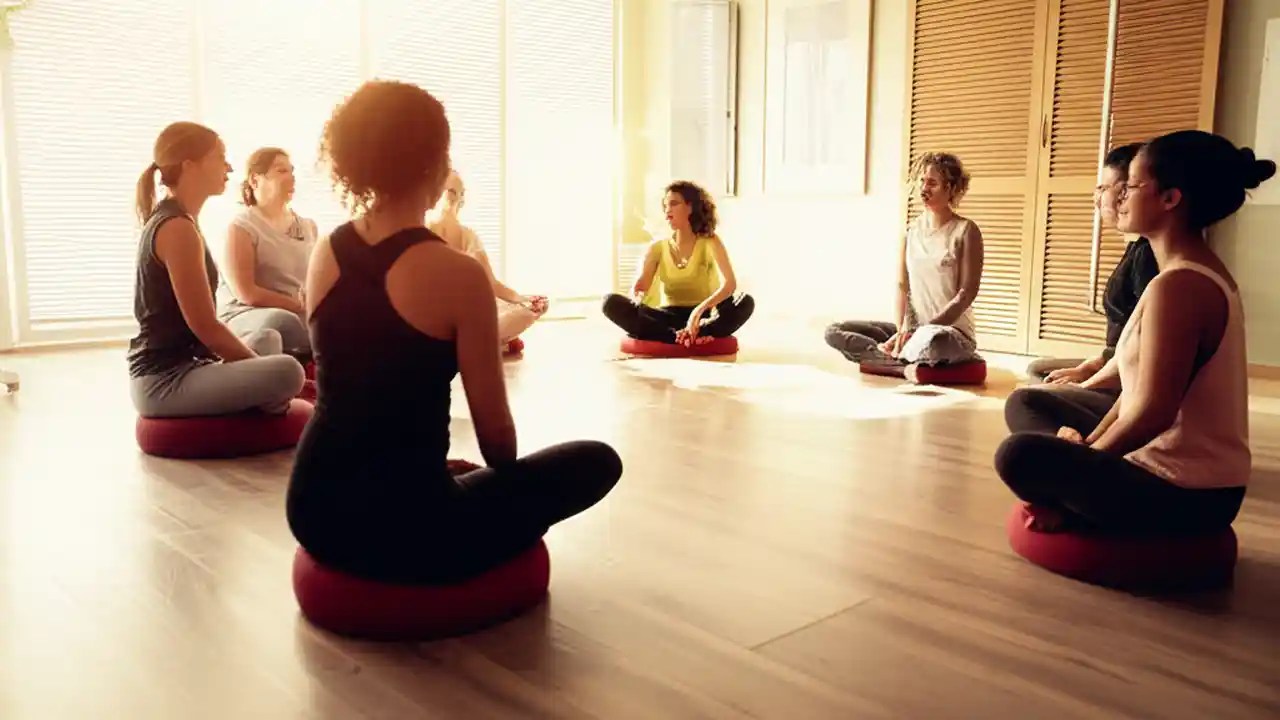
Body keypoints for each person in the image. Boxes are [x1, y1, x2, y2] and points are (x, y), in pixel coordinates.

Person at [287, 80, 622, 584]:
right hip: (410, 527)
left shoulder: (326, 251)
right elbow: (498, 447)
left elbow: (360, 389)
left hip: (311, 508)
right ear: (437, 164)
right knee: (598, 461)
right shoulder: (458, 273)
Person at [995, 130, 1274, 534]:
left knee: (1017, 455)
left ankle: (1071, 498)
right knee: (1026, 403)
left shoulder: (1181, 287)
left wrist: (1086, 467)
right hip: (1180, 476)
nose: (1119, 196)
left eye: (1131, 186)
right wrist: (1088, 452)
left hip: (1185, 493)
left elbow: (1152, 414)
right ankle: (1071, 471)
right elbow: (1134, 394)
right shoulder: (1180, 274)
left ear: (1170, 199)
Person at [127, 122, 305, 418]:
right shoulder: (176, 228)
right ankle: (269, 401)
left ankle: (263, 400)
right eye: (220, 157)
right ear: (190, 166)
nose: (230, 167)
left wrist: (250, 367)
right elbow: (206, 326)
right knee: (288, 371)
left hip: (194, 364)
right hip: (164, 381)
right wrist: (255, 370)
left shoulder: (182, 220)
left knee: (267, 338)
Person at [1006, 143, 1159, 434]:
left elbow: (1142, 361)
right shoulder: (1139, 248)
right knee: (1040, 370)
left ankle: (1068, 447)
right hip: (1118, 367)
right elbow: (1124, 344)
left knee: (1024, 400)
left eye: (1103, 188)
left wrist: (1087, 380)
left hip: (1129, 389)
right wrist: (1089, 367)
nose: (1095, 199)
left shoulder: (1152, 260)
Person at [825, 152, 984, 370]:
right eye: (922, 181)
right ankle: (897, 354)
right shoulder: (911, 231)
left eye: (932, 183)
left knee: (933, 344)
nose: (924, 189)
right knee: (834, 332)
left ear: (952, 189)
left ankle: (889, 357)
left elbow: (966, 294)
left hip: (949, 333)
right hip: (912, 328)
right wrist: (901, 330)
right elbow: (903, 287)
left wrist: (924, 331)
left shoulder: (965, 231)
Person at [601, 181, 754, 347]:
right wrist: (637, 291)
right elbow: (642, 287)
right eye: (665, 206)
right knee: (609, 302)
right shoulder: (657, 247)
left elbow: (730, 284)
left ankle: (699, 330)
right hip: (667, 318)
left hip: (704, 316)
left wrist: (698, 312)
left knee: (745, 302)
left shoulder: (710, 240)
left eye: (673, 204)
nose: (667, 210)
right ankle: (677, 336)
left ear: (691, 207)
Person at [216, 147, 319, 361]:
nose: (291, 177)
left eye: (292, 171)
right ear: (255, 180)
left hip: (297, 313)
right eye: (282, 171)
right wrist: (299, 306)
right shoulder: (241, 227)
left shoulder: (309, 227)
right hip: (247, 313)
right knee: (282, 321)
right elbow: (247, 293)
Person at [426, 169, 547, 351]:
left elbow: (492, 284)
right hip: (434, 315)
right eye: (451, 191)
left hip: (468, 314)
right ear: (437, 192)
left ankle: (489, 340)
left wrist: (523, 299)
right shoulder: (424, 231)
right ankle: (494, 342)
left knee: (525, 311)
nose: (456, 197)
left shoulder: (469, 236)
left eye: (461, 193)